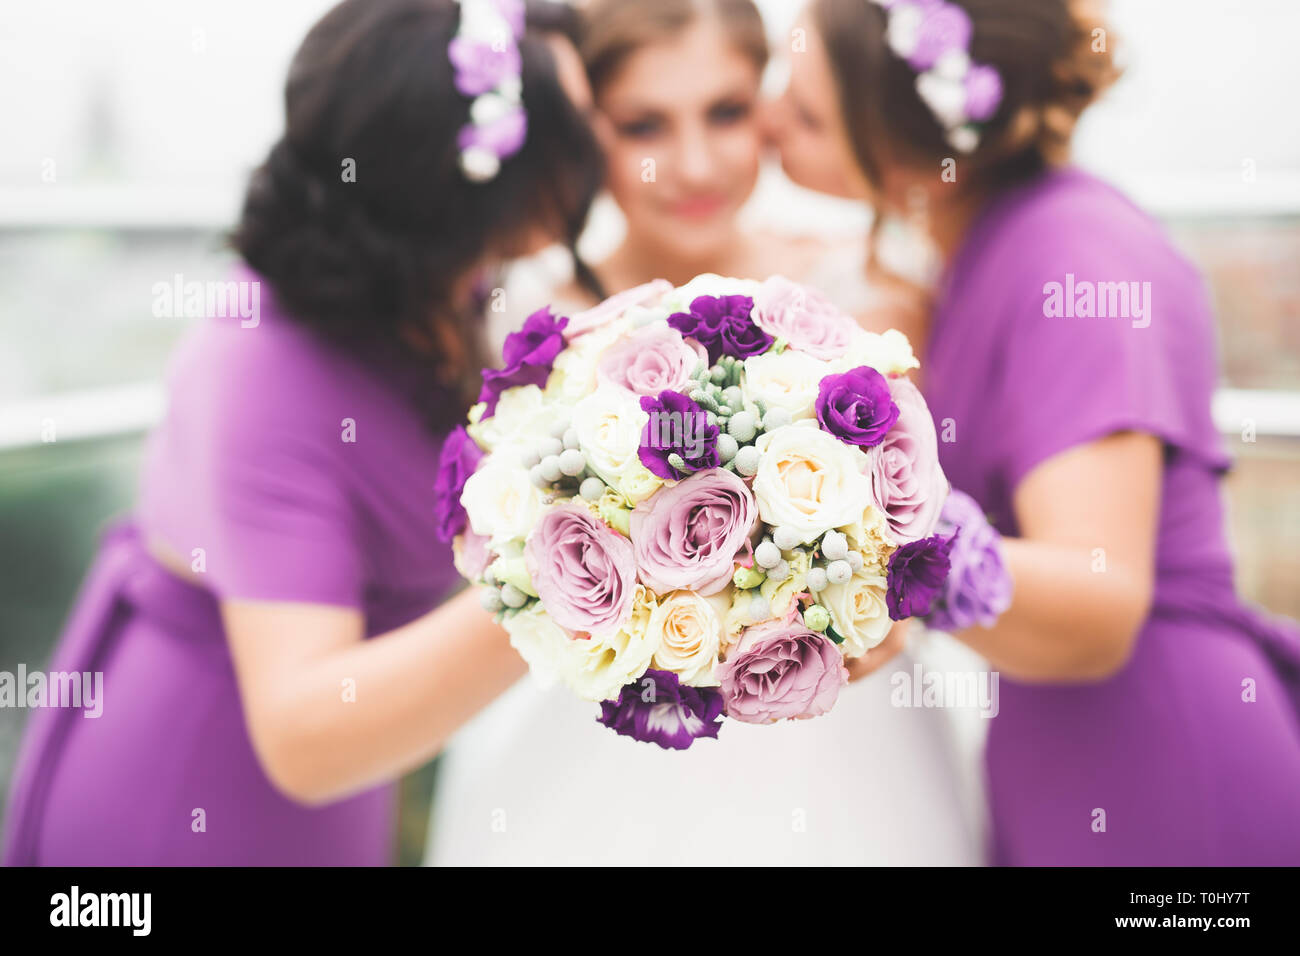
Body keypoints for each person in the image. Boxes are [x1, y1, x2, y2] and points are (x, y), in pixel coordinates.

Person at [1, 0, 603, 866]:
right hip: (196, 798)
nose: (608, 155)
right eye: (581, 135)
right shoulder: (261, 371)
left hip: (350, 792)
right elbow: (304, 733)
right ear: (468, 187)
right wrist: (582, 574)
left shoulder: (449, 293)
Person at [422, 0, 986, 867]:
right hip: (591, 749)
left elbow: (905, 536)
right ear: (586, 134)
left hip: (837, 743)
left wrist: (864, 618)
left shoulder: (867, 295)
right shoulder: (530, 326)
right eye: (644, 124)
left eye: (725, 112)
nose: (693, 164)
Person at [765, 0, 1300, 864]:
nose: (765, 125)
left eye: (807, 117)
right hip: (1063, 746)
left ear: (923, 153)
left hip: (1157, 771)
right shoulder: (986, 246)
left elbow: (1100, 601)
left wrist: (852, 533)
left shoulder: (1074, 259)